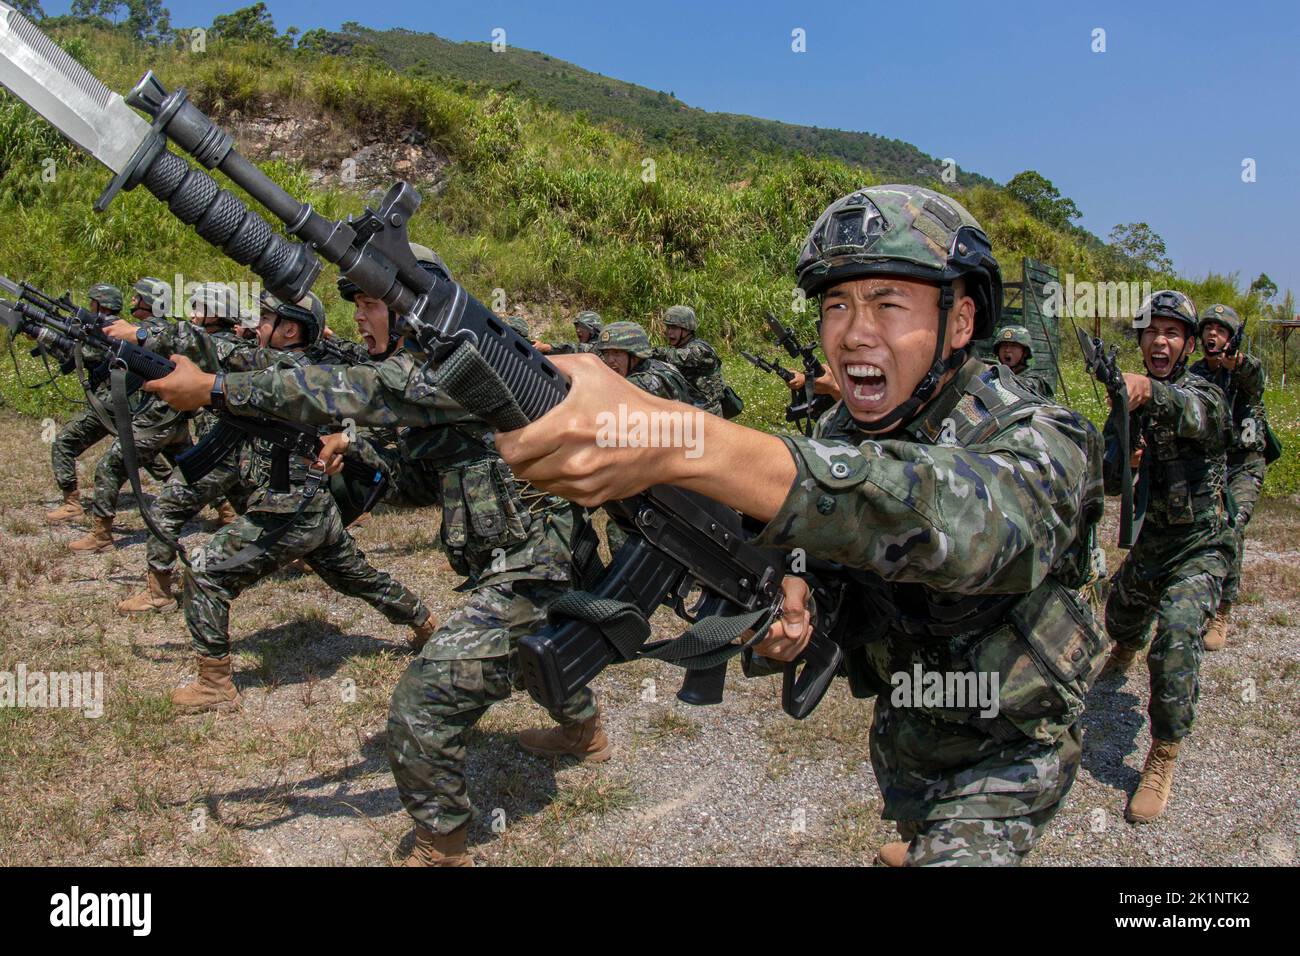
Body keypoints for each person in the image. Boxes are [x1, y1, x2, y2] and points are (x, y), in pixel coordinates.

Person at [495, 185, 1107, 866]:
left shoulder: (1042, 434)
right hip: (907, 725)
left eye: (888, 303)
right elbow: (838, 565)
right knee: (919, 824)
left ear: (960, 323)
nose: (853, 332)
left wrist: (688, 442)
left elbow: (968, 525)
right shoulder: (840, 429)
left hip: (1012, 744)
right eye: (837, 305)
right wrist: (802, 602)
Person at [142, 244, 612, 867]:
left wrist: (215, 388)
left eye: (371, 304)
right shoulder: (425, 372)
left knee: (422, 703)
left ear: (415, 312)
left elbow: (350, 389)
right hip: (513, 558)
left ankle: (441, 849)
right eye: (359, 304)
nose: (361, 317)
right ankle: (583, 730)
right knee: (532, 650)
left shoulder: (462, 366)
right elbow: (418, 452)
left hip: (539, 558)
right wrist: (356, 449)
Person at [106, 288, 437, 709]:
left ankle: (215, 684)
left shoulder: (286, 369)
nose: (256, 327)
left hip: (291, 509)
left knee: (207, 572)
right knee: (355, 577)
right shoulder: (290, 365)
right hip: (311, 507)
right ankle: (424, 621)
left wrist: (142, 334)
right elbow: (220, 353)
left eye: (265, 320)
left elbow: (217, 351)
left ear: (290, 329)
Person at [1099, 290, 1233, 824]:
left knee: (1176, 632)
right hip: (1153, 539)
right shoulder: (1127, 400)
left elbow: (1201, 417)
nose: (1161, 340)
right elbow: (1109, 481)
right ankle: (1126, 645)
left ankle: (1164, 752)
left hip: (1201, 541)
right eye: (1152, 330)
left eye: (1173, 332)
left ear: (1187, 344)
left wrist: (1149, 392)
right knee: (1118, 614)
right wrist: (1124, 457)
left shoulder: (1204, 387)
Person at [66, 278, 192, 553]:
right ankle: (228, 512)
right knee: (196, 466)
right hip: (175, 417)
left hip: (154, 418)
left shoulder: (142, 333)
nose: (132, 301)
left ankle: (102, 535)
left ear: (149, 302)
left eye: (137, 297)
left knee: (109, 467)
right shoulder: (176, 331)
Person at [1188, 304, 1269, 650]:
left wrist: (1235, 361)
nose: (1212, 334)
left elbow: (1255, 378)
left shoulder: (1246, 370)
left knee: (1231, 524)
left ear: (1232, 337)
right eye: (1208, 328)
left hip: (1244, 465)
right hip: (1210, 463)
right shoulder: (1195, 374)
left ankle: (1222, 610)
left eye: (1220, 330)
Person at [45, 282, 126, 523]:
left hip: (108, 406)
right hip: (127, 405)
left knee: (63, 443)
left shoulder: (105, 332)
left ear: (100, 304)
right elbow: (78, 360)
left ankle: (71, 504)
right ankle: (222, 506)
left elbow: (79, 356)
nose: (89, 306)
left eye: (92, 302)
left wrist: (47, 338)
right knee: (158, 457)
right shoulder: (119, 328)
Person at [650, 305, 726, 415]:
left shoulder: (700, 349)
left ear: (687, 329)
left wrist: (648, 352)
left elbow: (678, 356)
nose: (669, 332)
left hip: (708, 411)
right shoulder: (679, 347)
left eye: (674, 328)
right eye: (668, 327)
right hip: (688, 409)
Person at [992, 325, 1055, 398]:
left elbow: (1020, 389)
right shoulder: (992, 375)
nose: (1007, 350)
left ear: (1025, 352)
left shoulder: (1034, 381)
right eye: (1003, 345)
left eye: (1013, 346)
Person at [533, 310, 603, 355]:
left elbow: (573, 348)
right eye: (576, 326)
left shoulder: (601, 348)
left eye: (582, 327)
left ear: (593, 330)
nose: (577, 330)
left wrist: (547, 347)